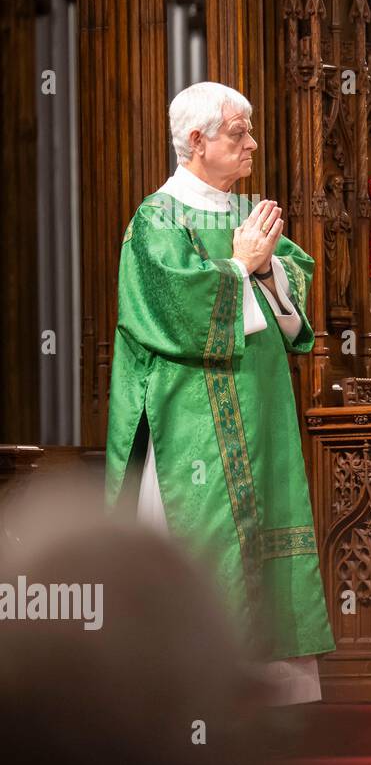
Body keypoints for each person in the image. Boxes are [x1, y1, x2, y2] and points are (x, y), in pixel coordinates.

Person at [105, 81, 334, 705]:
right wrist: (239, 270)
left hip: (262, 412)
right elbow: (166, 312)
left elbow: (294, 305)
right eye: (239, 133)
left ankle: (274, 704)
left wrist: (267, 268)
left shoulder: (248, 213)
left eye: (250, 131)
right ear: (196, 141)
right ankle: (197, 700)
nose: (252, 143)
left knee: (269, 535)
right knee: (204, 541)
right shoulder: (155, 219)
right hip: (192, 424)